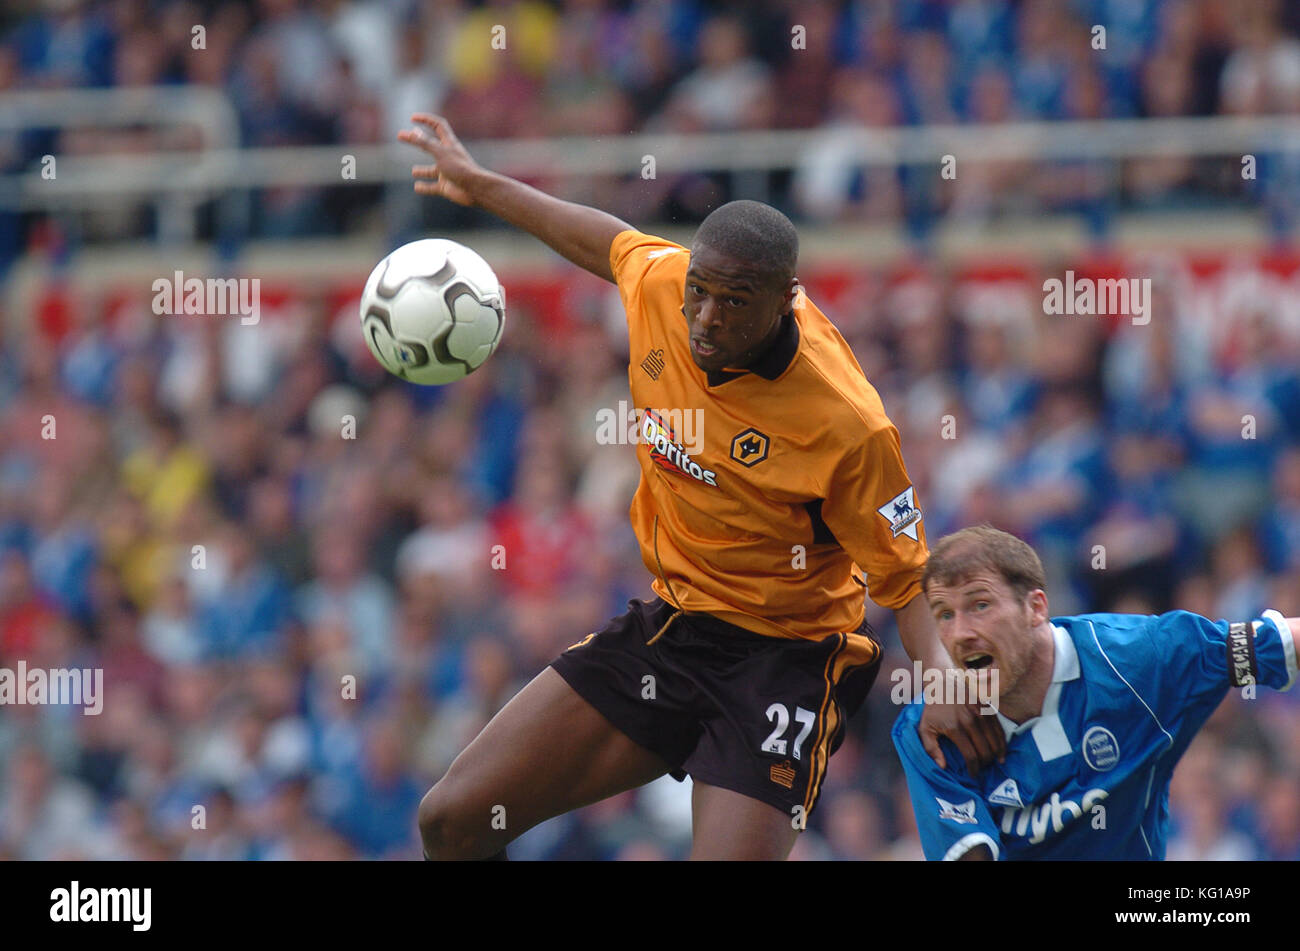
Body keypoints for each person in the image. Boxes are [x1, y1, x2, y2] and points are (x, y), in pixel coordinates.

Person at [399, 113, 1003, 860]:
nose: (706, 319)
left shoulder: (847, 424)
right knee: (451, 817)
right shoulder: (662, 284)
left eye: (733, 301)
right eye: (700, 292)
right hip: (675, 626)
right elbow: (602, 237)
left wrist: (939, 675)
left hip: (787, 658)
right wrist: (481, 184)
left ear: (786, 298)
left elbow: (904, 578)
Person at [892, 525, 1297, 860]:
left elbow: (1279, 644)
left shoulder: (1141, 659)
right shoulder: (931, 731)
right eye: (944, 614)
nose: (960, 633)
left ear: (1036, 608)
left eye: (980, 605)